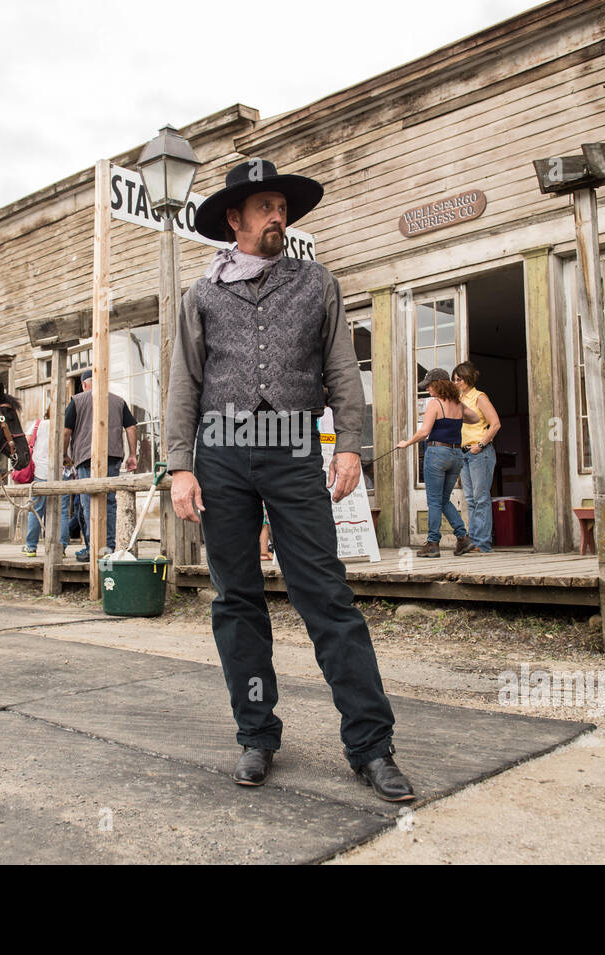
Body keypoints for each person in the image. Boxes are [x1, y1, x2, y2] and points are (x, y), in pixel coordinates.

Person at [165, 158, 414, 802]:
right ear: (235, 219)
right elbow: (183, 384)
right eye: (264, 207)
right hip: (219, 454)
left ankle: (371, 745)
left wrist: (350, 446)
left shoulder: (317, 284)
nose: (277, 216)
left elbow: (342, 370)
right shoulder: (201, 294)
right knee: (236, 600)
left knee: (326, 597)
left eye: (282, 207)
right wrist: (179, 466)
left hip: (293, 450)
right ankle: (256, 734)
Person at [396, 368, 484, 558]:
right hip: (456, 455)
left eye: (429, 386)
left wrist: (406, 443)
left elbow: (424, 432)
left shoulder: (435, 404)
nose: (427, 389)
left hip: (437, 453)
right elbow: (476, 418)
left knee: (435, 501)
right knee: (443, 500)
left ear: (438, 385)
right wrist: (458, 418)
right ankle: (463, 539)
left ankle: (432, 543)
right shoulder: (458, 405)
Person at [61, 369, 138, 561]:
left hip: (86, 456)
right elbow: (132, 427)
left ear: (84, 384)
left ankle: (95, 548)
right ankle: (107, 548)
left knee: (88, 503)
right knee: (109, 502)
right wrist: (133, 454)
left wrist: (63, 454)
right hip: (113, 456)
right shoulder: (118, 401)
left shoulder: (77, 400)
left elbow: (65, 431)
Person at [453, 361, 501, 554]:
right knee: (471, 499)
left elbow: (495, 423)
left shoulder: (479, 397)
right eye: (454, 380)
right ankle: (473, 542)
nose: (456, 383)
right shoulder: (458, 399)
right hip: (463, 453)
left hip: (479, 453)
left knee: (481, 498)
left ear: (468, 379)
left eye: (459, 379)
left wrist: (480, 445)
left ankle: (482, 543)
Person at [14, 406, 52, 557]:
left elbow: (25, 443)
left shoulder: (38, 424)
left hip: (39, 472)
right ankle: (59, 547)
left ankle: (31, 547)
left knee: (36, 510)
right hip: (60, 472)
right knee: (59, 511)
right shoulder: (66, 425)